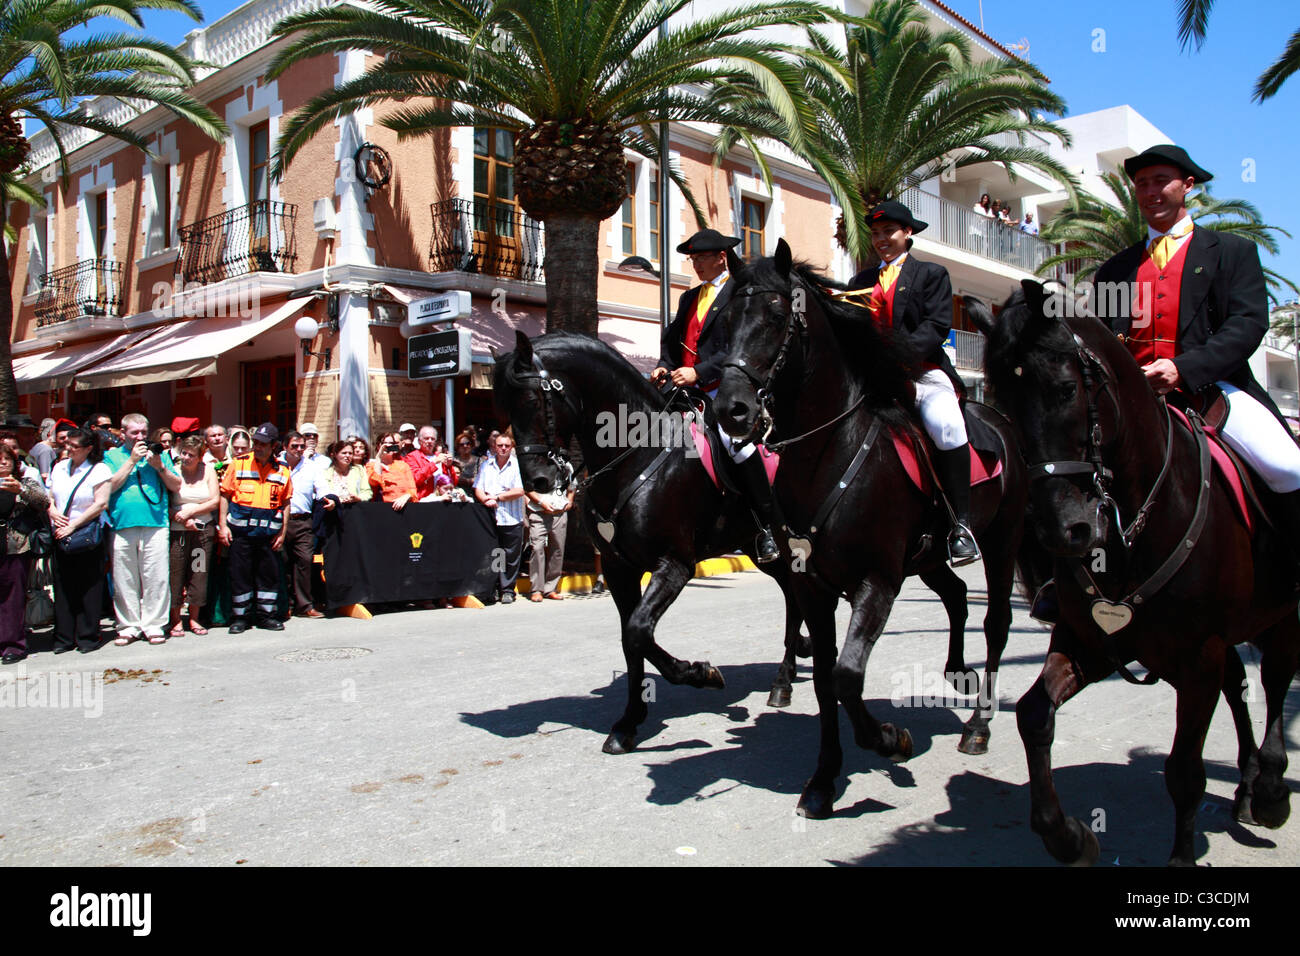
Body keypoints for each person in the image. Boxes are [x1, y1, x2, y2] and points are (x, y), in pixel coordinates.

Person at [1093, 144, 1300, 541]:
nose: (1151, 191)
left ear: (1187, 185)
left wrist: (1182, 369)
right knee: (1059, 464)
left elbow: (1247, 323)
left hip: (1212, 389)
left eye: (1160, 181)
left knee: (1286, 466)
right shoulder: (1115, 268)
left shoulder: (1232, 252)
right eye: (1141, 184)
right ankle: (1057, 580)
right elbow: (1103, 338)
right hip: (1129, 398)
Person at [848, 199, 979, 566]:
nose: (881, 239)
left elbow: (936, 327)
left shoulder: (931, 274)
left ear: (908, 233)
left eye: (888, 231)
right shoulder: (860, 282)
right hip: (872, 378)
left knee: (946, 425)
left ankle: (960, 526)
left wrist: (894, 358)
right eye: (875, 233)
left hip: (922, 373)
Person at [651, 227, 779, 563]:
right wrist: (664, 366)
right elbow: (673, 341)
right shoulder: (689, 297)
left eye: (701, 258)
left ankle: (765, 525)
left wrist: (700, 372)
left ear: (722, 257)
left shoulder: (741, 292)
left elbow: (741, 346)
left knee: (736, 444)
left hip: (724, 386)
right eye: (692, 259)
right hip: (683, 388)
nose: (695, 264)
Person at [104, 413, 181, 646]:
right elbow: (109, 486)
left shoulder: (159, 454)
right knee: (124, 577)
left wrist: (159, 467)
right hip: (122, 523)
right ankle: (128, 625)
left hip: (155, 522)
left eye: (143, 433)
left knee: (155, 575)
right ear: (123, 432)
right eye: (134, 433)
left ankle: (154, 623)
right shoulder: (112, 455)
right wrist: (131, 461)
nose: (139, 437)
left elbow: (176, 485)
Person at [218, 422, 292, 634]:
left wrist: (282, 532)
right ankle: (240, 618)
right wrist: (223, 526)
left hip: (268, 535)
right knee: (240, 576)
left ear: (274, 446)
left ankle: (266, 617)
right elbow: (225, 495)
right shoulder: (238, 464)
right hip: (241, 534)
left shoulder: (283, 470)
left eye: (263, 444)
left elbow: (286, 502)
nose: (258, 447)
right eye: (256, 443)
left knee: (267, 576)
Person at [47, 428, 113, 654]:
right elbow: (50, 496)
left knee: (89, 586)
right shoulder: (59, 468)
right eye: (67, 444)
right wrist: (53, 512)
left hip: (86, 533)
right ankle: (63, 637)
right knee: (63, 586)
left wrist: (74, 525)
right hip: (60, 533)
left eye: (74, 446)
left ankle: (87, 636)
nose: (69, 449)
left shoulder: (99, 469)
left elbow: (100, 503)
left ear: (88, 449)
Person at [0, 442, 51, 664]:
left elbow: (43, 501)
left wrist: (19, 490)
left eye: (7, 460)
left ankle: (13, 645)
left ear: (14, 464)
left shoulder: (24, 482)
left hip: (15, 546)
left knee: (13, 597)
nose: (2, 463)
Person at [167, 434, 219, 636]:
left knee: (199, 572)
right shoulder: (174, 471)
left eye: (191, 455)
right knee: (176, 574)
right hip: (178, 531)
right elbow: (164, 502)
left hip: (201, 530)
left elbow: (214, 500)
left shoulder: (208, 471)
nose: (186, 458)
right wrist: (181, 517)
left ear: (200, 457)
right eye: (184, 453)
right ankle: (176, 619)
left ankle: (195, 618)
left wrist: (191, 513)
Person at [474, 431, 526, 604]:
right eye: (500, 445)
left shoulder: (518, 466)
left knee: (511, 556)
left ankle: (508, 590)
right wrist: (485, 499)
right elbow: (478, 488)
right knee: (496, 554)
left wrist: (496, 497)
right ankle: (496, 587)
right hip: (492, 517)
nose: (503, 448)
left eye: (507, 446)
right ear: (494, 447)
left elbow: (519, 490)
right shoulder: (486, 466)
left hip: (512, 517)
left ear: (512, 448)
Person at [279, 430, 323, 619]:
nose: (298, 450)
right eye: (294, 446)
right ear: (284, 447)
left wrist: (328, 498)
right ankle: (285, 604)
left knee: (304, 561)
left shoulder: (311, 467)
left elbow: (322, 487)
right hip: (280, 521)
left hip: (303, 520)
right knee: (283, 563)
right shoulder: (276, 464)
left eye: (301, 446)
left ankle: (305, 605)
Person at [525, 476, 575, 602]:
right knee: (537, 548)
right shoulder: (535, 465)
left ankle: (550, 588)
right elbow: (527, 487)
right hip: (538, 511)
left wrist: (569, 501)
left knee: (557, 550)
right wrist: (540, 502)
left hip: (559, 512)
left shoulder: (564, 464)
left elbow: (572, 485)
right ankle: (536, 589)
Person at [313, 440, 372, 506]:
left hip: (354, 509)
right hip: (334, 510)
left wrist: (358, 498)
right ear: (335, 454)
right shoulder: (326, 473)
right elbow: (322, 494)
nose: (347, 456)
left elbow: (367, 492)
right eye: (344, 453)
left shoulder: (359, 470)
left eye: (350, 453)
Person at [406, 425, 458, 500]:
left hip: (443, 501)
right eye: (426, 438)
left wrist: (449, 467)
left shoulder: (441, 457)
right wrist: (434, 463)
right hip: (423, 501)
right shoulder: (412, 457)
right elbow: (415, 480)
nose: (430, 441)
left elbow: (453, 483)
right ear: (419, 441)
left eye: (432, 439)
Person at [366, 434, 416, 510]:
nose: (388, 445)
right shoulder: (371, 465)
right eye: (384, 443)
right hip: (383, 508)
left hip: (405, 507)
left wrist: (406, 496)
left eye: (391, 443)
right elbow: (374, 482)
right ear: (378, 446)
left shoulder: (403, 465)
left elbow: (413, 489)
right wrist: (378, 457)